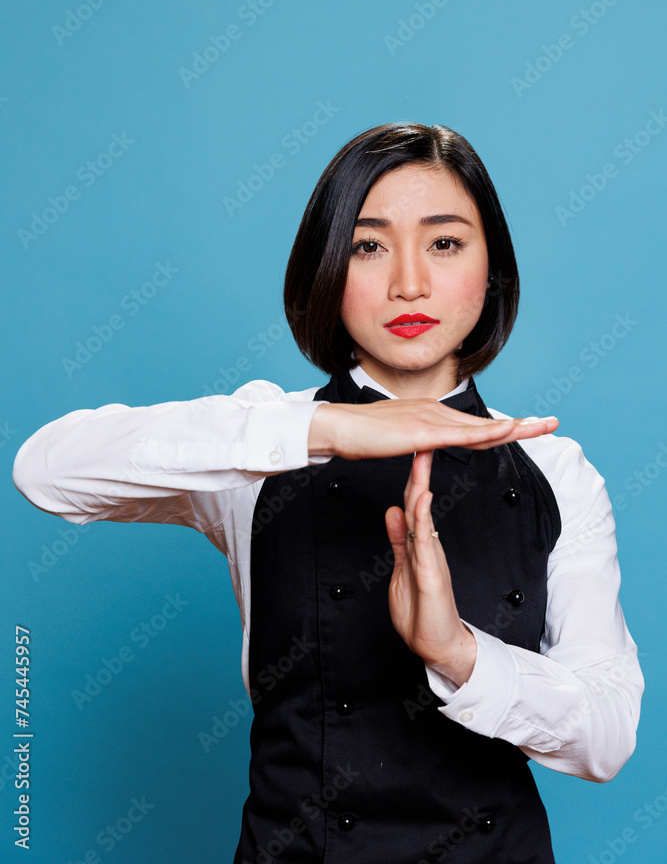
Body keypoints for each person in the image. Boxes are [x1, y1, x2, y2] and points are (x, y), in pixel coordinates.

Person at [12, 123, 643, 864]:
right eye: (367, 246)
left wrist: (458, 653)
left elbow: (607, 738)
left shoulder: (553, 468)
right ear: (325, 269)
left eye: (444, 243)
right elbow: (46, 471)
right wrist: (322, 429)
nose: (408, 281)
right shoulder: (262, 444)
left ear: (492, 269)